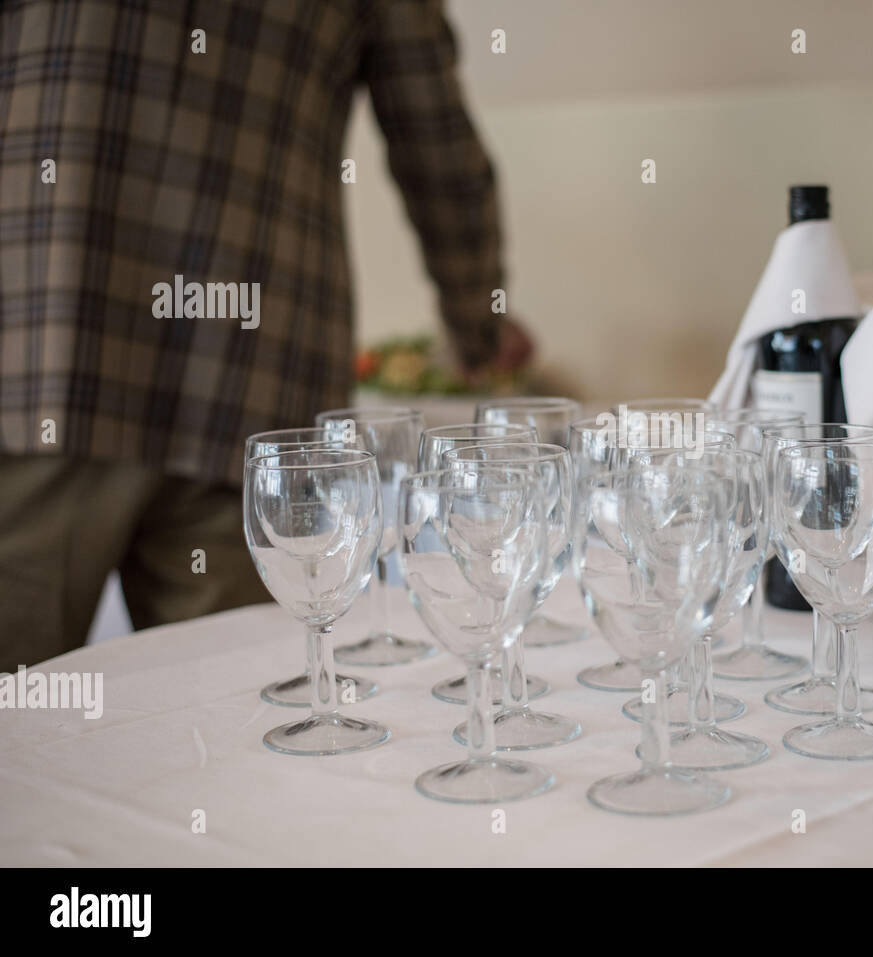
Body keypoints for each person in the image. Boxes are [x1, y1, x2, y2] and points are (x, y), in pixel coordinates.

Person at [0, 0, 529, 671]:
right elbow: (435, 136)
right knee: (236, 725)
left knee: (20, 725)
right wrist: (478, 322)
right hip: (250, 383)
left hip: (39, 351)